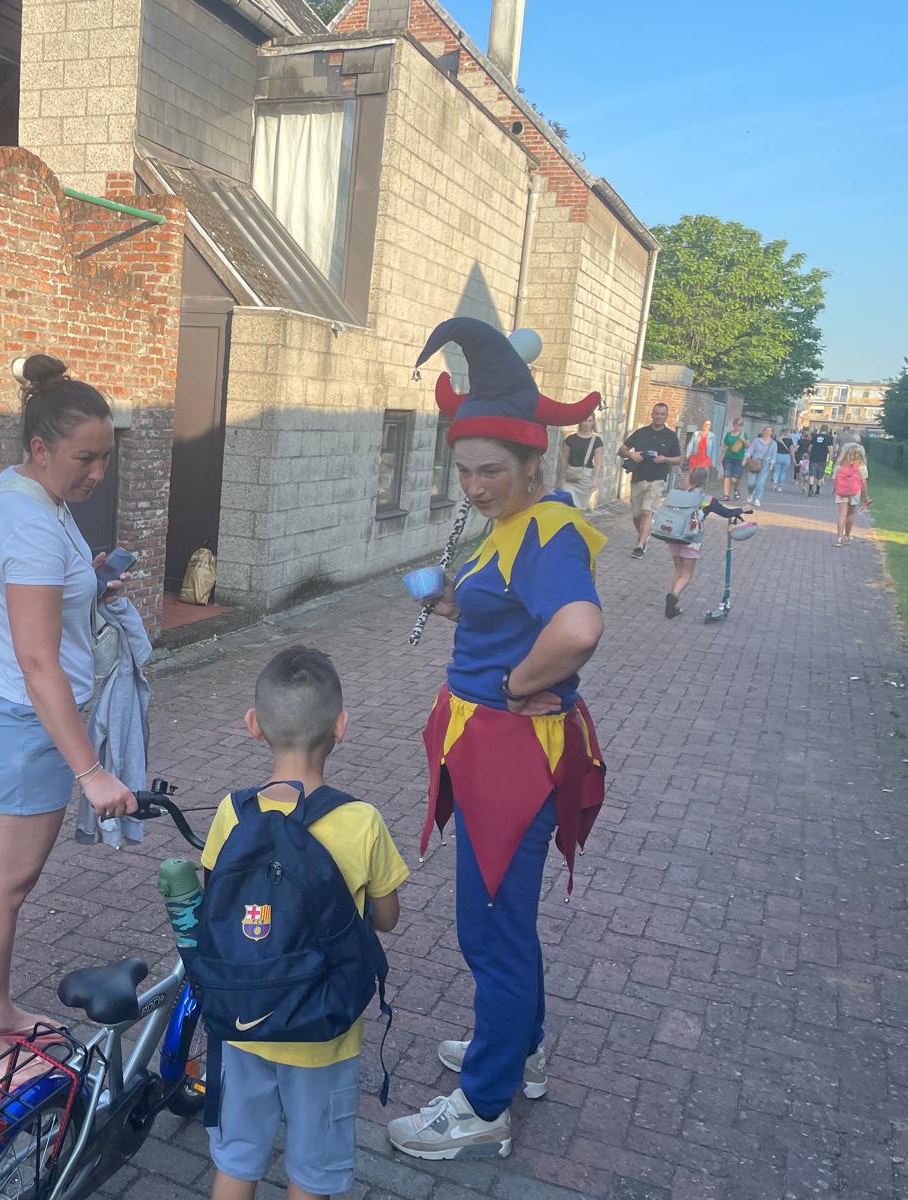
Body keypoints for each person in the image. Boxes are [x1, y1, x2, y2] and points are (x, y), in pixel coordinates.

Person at [393, 317, 606, 1160]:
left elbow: (579, 627)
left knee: (489, 929)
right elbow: (511, 609)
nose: (476, 486)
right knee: (503, 921)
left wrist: (519, 682)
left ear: (532, 464)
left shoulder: (548, 529)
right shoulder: (517, 527)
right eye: (464, 470)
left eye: (491, 471)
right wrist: (455, 604)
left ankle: (483, 1105)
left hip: (513, 756)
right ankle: (516, 1048)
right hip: (494, 749)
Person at [0, 353, 136, 1088]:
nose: (95, 473)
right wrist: (91, 770)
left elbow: (36, 597)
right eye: (84, 458)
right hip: (21, 723)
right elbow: (36, 660)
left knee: (7, 885)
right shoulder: (29, 519)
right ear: (40, 449)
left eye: (104, 458)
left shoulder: (25, 496)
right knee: (1, 887)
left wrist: (87, 579)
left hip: (2, 712)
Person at [200, 647, 407, 1200]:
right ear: (341, 727)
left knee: (236, 1162)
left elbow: (211, 897)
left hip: (242, 1019)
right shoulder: (361, 821)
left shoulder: (232, 812)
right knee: (313, 1172)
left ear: (253, 725)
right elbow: (385, 918)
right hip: (324, 1032)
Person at [660, 490, 748, 618]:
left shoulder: (678, 495)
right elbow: (726, 513)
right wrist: (742, 510)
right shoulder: (707, 499)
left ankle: (672, 605)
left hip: (673, 535)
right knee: (687, 573)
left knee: (678, 569)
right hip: (691, 539)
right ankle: (673, 596)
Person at [618, 402, 683, 559]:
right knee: (637, 515)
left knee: (648, 511)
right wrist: (631, 455)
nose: (659, 416)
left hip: (657, 479)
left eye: (662, 414)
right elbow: (621, 450)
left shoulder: (671, 436)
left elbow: (679, 459)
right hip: (638, 478)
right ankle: (643, 537)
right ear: (652, 414)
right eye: (657, 413)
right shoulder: (641, 433)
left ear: (666, 416)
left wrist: (665, 459)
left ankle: (639, 546)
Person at [555, 416, 603, 512]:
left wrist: (595, 479)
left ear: (593, 423)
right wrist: (561, 477)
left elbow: (598, 462)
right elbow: (564, 458)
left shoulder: (596, 441)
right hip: (570, 476)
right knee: (566, 504)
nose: (587, 424)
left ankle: (577, 525)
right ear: (580, 422)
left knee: (580, 508)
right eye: (585, 420)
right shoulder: (571, 439)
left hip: (585, 478)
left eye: (590, 421)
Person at [833, 441, 872, 546]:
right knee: (850, 514)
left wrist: (835, 489)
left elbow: (834, 479)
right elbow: (863, 483)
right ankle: (847, 536)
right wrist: (865, 496)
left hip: (841, 491)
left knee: (842, 514)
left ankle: (839, 538)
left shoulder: (839, 465)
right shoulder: (861, 466)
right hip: (855, 492)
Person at [744, 425, 778, 506]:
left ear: (772, 433)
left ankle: (757, 498)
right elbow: (750, 450)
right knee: (751, 482)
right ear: (763, 431)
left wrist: (771, 465)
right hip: (754, 463)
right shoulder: (756, 441)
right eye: (766, 430)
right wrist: (745, 458)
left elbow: (774, 455)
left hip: (765, 464)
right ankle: (750, 493)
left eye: (769, 431)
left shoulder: (773, 443)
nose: (767, 432)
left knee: (760, 483)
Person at [719, 416, 748, 502]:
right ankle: (726, 495)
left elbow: (748, 446)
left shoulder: (744, 434)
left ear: (741, 426)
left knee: (735, 479)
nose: (737, 427)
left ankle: (736, 490)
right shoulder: (728, 434)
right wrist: (720, 457)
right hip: (728, 458)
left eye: (739, 425)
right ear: (733, 425)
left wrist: (743, 440)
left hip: (739, 459)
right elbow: (724, 446)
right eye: (735, 425)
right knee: (727, 476)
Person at [684, 418, 716, 489]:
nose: (707, 425)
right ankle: (688, 488)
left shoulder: (712, 435)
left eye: (708, 424)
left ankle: (701, 489)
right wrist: (688, 452)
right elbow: (691, 443)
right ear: (703, 424)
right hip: (695, 456)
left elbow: (714, 449)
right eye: (706, 424)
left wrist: (713, 461)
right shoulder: (696, 433)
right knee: (691, 472)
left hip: (706, 457)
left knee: (704, 473)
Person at [806, 425, 834, 497]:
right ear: (827, 430)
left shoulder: (815, 436)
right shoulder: (829, 438)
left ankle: (810, 489)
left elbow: (809, 448)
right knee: (820, 476)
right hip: (822, 459)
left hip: (813, 457)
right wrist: (830, 459)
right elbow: (831, 450)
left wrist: (809, 454)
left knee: (812, 474)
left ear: (820, 429)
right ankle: (817, 491)